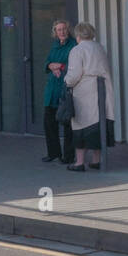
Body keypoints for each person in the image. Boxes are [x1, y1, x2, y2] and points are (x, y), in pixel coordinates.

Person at [64, 22, 115, 172]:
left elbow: (74, 75)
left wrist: (66, 81)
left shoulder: (77, 50)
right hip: (103, 90)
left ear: (78, 35)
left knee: (82, 126)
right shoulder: (99, 48)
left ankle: (79, 162)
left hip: (84, 92)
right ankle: (96, 160)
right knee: (99, 124)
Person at [42, 20, 77, 163]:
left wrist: (61, 66)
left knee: (68, 124)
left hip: (65, 89)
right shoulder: (55, 45)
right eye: (58, 30)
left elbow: (74, 65)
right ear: (55, 32)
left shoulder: (73, 45)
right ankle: (53, 153)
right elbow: (46, 62)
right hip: (51, 90)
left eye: (64, 29)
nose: (61, 32)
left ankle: (68, 156)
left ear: (68, 30)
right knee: (49, 123)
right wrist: (51, 65)